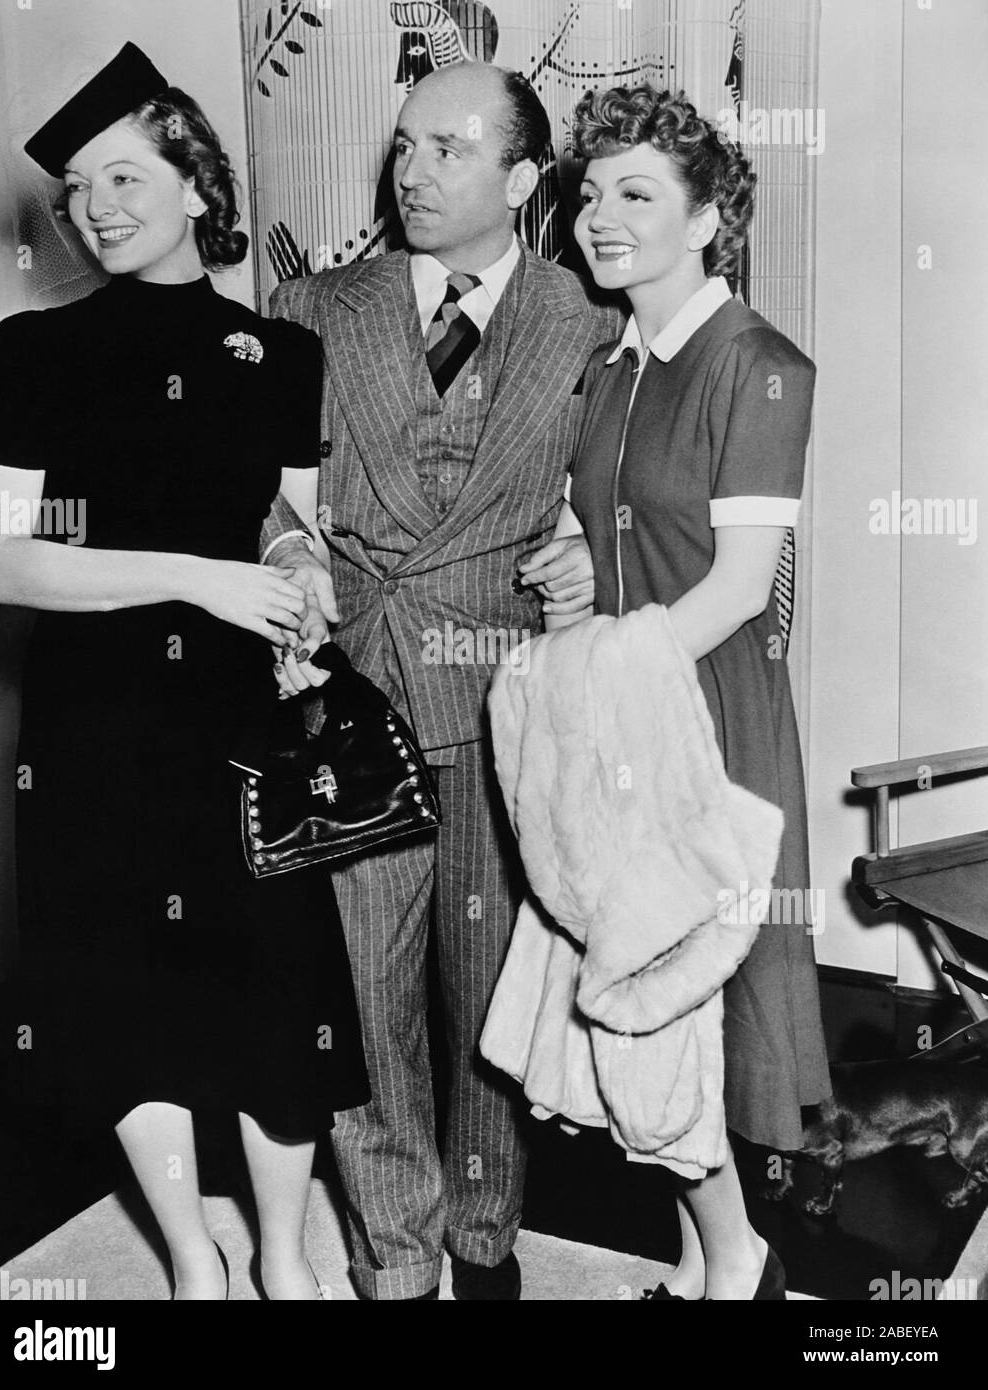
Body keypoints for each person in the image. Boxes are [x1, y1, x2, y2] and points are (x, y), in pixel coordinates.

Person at [0, 43, 369, 1301]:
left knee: (275, 994)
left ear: (199, 185)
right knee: (114, 991)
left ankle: (286, 1262)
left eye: (127, 176)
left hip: (238, 724)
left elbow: (283, 521)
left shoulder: (277, 354)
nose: (99, 207)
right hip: (91, 726)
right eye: (80, 187)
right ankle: (195, 1256)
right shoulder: (30, 351)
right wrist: (198, 577)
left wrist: (304, 573)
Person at [266, 61, 620, 1300]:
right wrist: (285, 557)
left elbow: (624, 491)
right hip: (354, 698)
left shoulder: (590, 323)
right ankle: (394, 1253)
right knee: (363, 995)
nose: (411, 171)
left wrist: (587, 547)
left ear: (522, 180)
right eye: (404, 146)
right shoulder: (313, 307)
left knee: (491, 998)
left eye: (448, 150)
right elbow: (271, 495)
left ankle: (483, 1237)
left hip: (503, 696)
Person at [559, 82, 831, 1299]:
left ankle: (737, 1259)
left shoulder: (757, 364)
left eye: (637, 193)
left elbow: (733, 588)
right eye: (588, 192)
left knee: (693, 1004)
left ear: (708, 215)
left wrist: (608, 674)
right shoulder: (614, 363)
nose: (599, 216)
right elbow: (608, 542)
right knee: (648, 1004)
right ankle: (705, 1250)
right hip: (627, 711)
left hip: (706, 718)